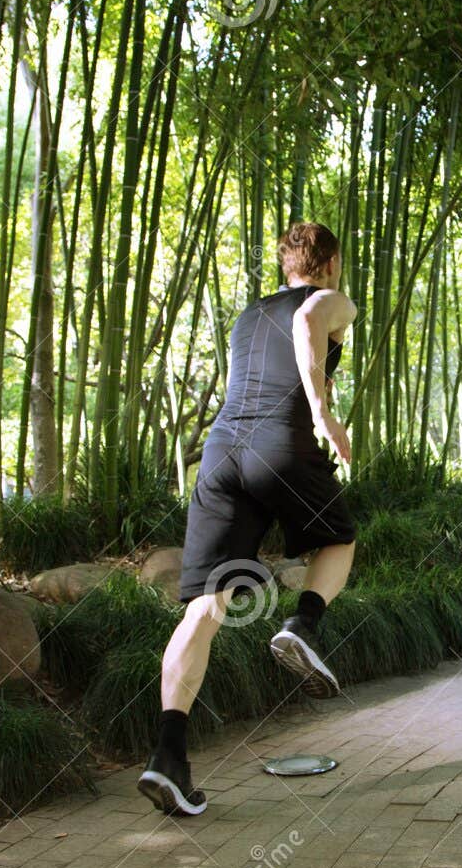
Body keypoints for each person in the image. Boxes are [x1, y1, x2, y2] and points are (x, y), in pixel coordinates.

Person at [137, 222, 359, 817]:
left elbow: (281, 365)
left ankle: (169, 756)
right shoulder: (330, 298)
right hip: (279, 442)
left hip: (221, 455)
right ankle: (303, 627)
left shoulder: (246, 316)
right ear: (330, 262)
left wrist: (320, 387)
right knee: (339, 539)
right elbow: (311, 322)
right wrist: (323, 417)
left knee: (204, 608)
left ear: (284, 264)